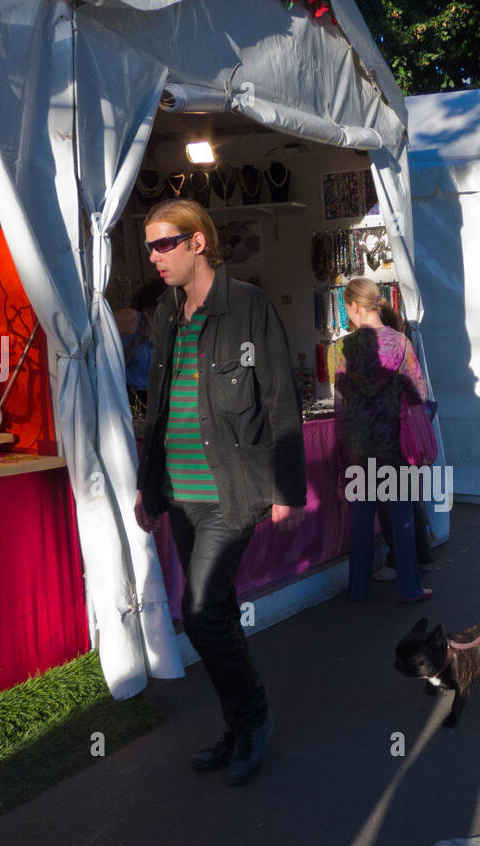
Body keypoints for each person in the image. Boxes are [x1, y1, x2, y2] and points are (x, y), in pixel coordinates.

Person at [134, 198, 306, 786]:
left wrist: (287, 488)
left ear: (196, 243)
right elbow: (157, 407)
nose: (154, 256)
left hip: (231, 491)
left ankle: (254, 719)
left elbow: (282, 400)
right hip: (178, 492)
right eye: (149, 245)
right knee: (219, 611)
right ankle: (235, 727)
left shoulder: (250, 306)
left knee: (201, 612)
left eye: (163, 244)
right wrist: (147, 488)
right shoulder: (167, 313)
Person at [334, 278, 432, 604]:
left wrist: (343, 446)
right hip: (394, 443)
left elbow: (341, 405)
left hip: (360, 447)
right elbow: (419, 393)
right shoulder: (400, 343)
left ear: (353, 307)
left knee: (361, 524)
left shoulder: (345, 349)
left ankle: (358, 588)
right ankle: (411, 588)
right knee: (401, 519)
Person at [115, 279, 166, 416]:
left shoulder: (162, 331)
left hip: (152, 399)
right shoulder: (133, 318)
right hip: (127, 397)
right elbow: (93, 340)